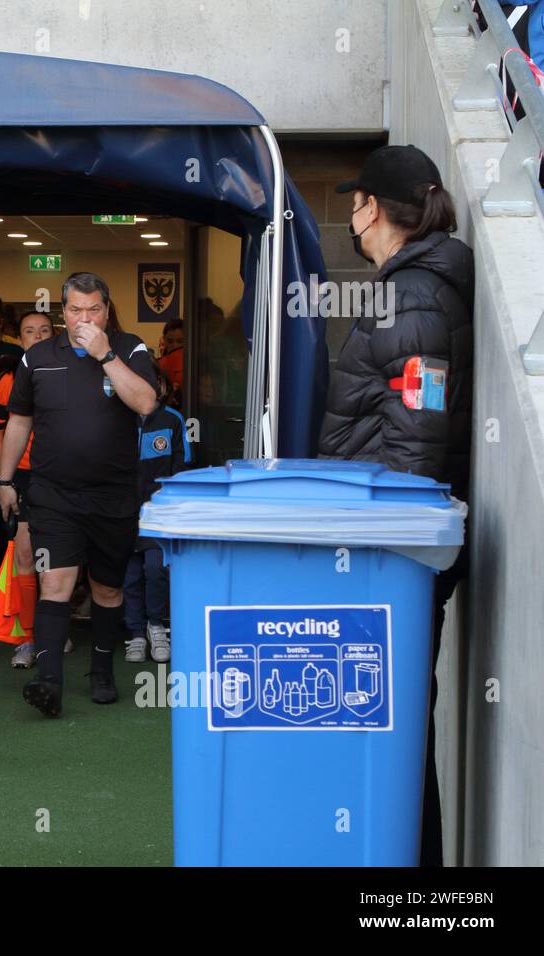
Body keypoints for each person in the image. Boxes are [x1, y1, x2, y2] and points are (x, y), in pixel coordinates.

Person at [317, 143, 472, 867]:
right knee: (390, 729)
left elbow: (418, 440)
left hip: (391, 555)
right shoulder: (410, 287)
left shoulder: (410, 296)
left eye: (355, 200)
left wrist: (386, 560)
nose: (352, 212)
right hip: (383, 547)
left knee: (393, 731)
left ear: (371, 208)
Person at [0, 272, 157, 716]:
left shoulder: (131, 348)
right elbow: (20, 422)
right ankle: (48, 681)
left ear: (107, 309)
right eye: (75, 310)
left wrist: (105, 355)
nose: (85, 318)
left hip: (114, 496)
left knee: (107, 589)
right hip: (53, 495)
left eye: (94, 309)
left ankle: (101, 672)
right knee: (55, 583)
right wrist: (5, 480)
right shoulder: (38, 357)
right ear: (62, 312)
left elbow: (145, 403)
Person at [0, 310, 53, 668]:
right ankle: (28, 638)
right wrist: (4, 480)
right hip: (23, 476)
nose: (37, 337)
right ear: (20, 338)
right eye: (29, 331)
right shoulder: (9, 378)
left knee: (56, 560)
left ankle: (54, 631)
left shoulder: (68, 373)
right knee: (26, 556)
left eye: (45, 331)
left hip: (61, 476)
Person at [123, 358, 191, 664]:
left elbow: (181, 470)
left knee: (155, 569)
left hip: (157, 514)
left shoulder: (172, 420)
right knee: (129, 575)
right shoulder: (115, 418)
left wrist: (169, 508)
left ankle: (157, 626)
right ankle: (135, 633)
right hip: (120, 512)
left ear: (161, 385)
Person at [157, 317, 184, 393]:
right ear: (164, 340)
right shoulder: (158, 365)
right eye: (170, 341)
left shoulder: (195, 365)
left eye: (180, 341)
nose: (175, 345)